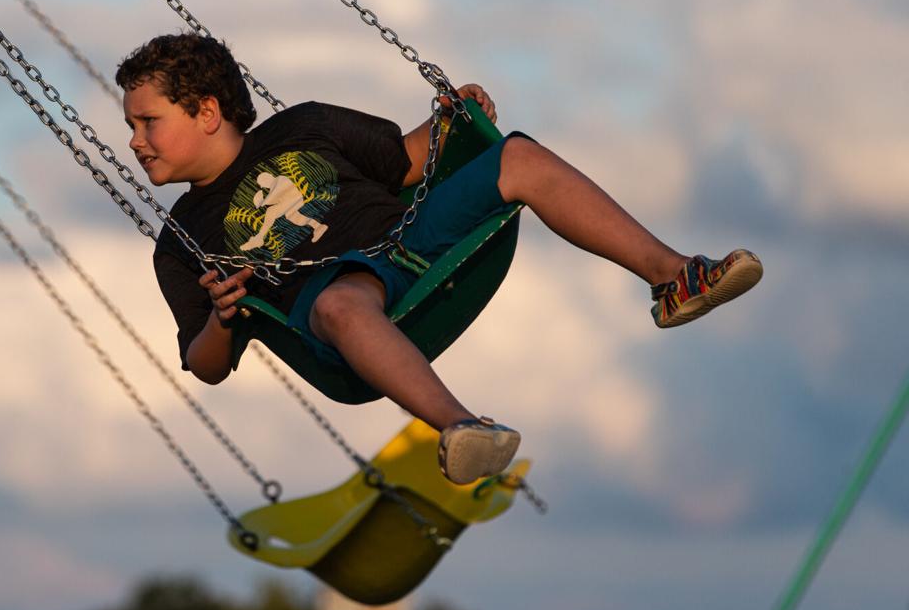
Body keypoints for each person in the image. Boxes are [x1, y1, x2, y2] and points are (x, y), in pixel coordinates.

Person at [117, 34, 763, 485]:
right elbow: (205, 366)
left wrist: (455, 116)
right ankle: (461, 429)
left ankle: (673, 277)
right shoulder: (183, 238)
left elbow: (407, 160)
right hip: (330, 307)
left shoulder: (305, 125)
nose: (135, 141)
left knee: (517, 157)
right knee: (344, 299)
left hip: (410, 238)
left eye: (149, 121)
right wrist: (224, 318)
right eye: (133, 126)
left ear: (206, 112)